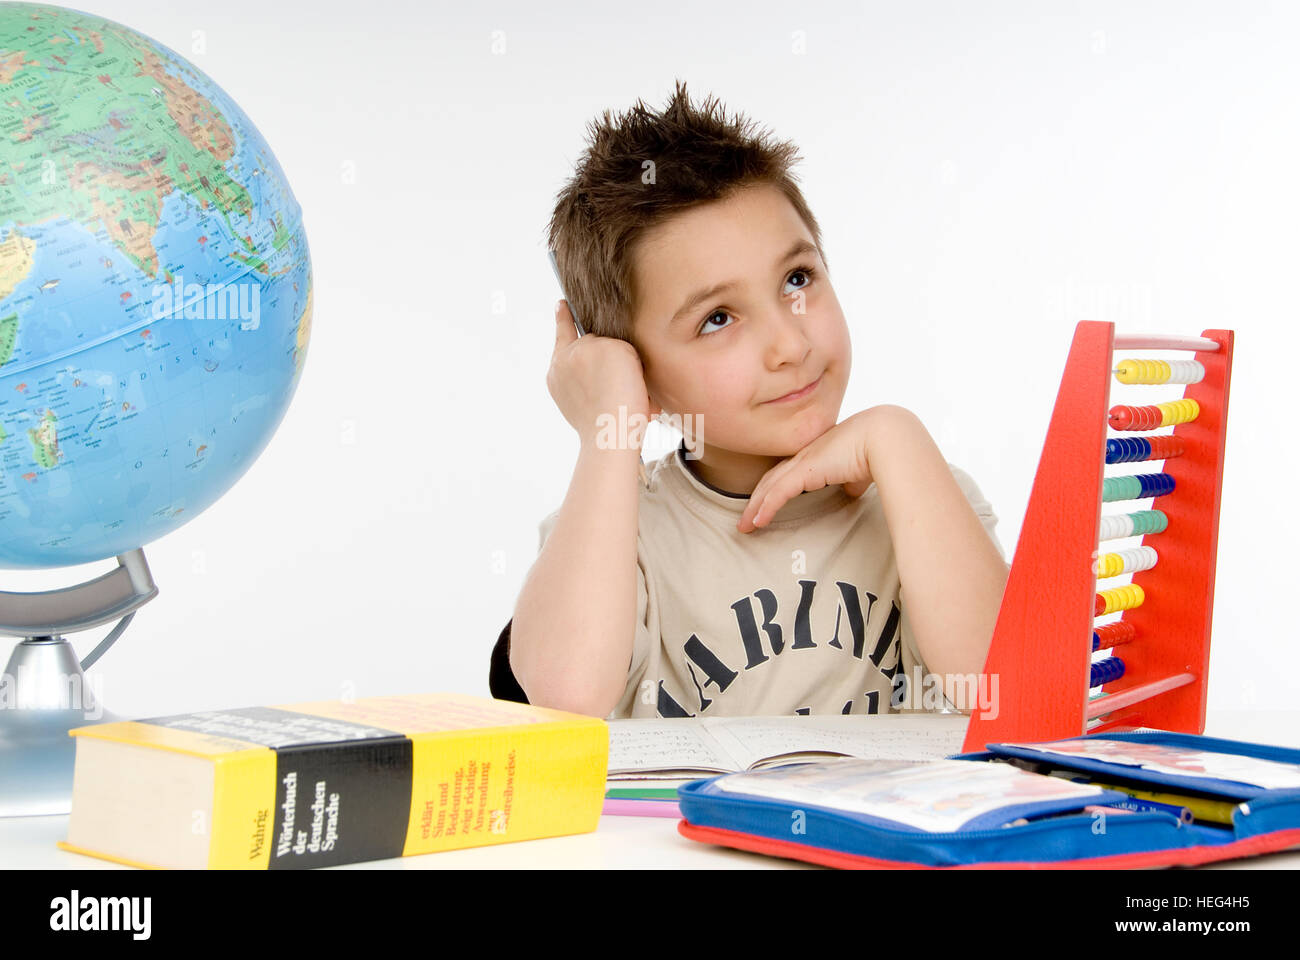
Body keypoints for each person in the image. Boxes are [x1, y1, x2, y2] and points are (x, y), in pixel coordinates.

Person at [491, 79, 1010, 720]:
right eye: (717, 318)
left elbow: (1006, 693)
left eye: (798, 279)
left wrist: (897, 438)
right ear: (639, 373)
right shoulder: (617, 531)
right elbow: (567, 697)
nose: (788, 343)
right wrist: (611, 426)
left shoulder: (922, 492)